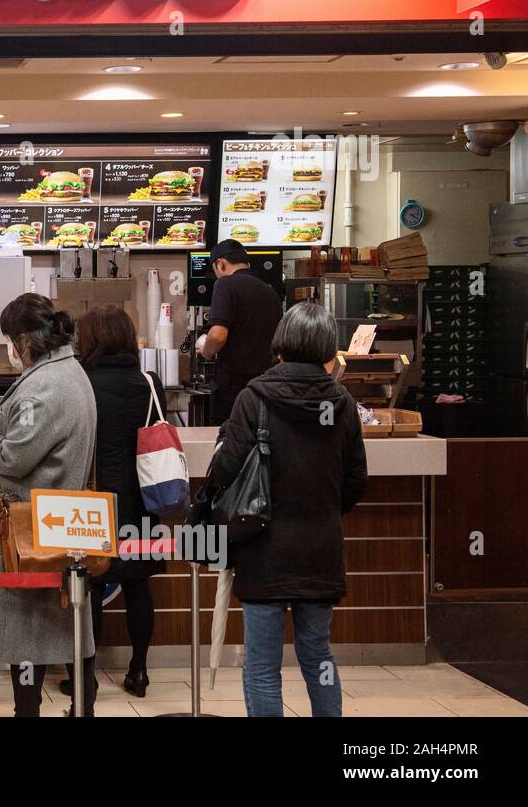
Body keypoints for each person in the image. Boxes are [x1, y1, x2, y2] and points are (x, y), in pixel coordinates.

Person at [201, 302, 368, 717]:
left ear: (282, 342)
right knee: (318, 657)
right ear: (328, 348)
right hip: (320, 549)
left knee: (262, 664)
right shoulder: (342, 403)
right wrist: (324, 510)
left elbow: (224, 469)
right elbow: (355, 481)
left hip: (263, 547)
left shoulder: (255, 396)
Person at [0, 293, 98, 717]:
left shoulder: (43, 387)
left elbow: (15, 456)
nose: (9, 352)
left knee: (27, 632)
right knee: (67, 621)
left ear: (24, 341)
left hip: (31, 525)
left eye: (10, 343)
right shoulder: (70, 372)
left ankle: (28, 712)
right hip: (61, 514)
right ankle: (82, 708)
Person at [68, 304, 166, 699]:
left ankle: (86, 676)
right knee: (138, 583)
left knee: (90, 585)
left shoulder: (80, 381)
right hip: (141, 496)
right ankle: (139, 671)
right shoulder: (150, 380)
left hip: (93, 500)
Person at [195, 239, 283, 425]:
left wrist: (206, 350)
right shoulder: (270, 292)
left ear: (221, 264)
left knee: (225, 443)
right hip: (265, 386)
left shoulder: (225, 285)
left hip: (232, 389)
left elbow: (218, 335)